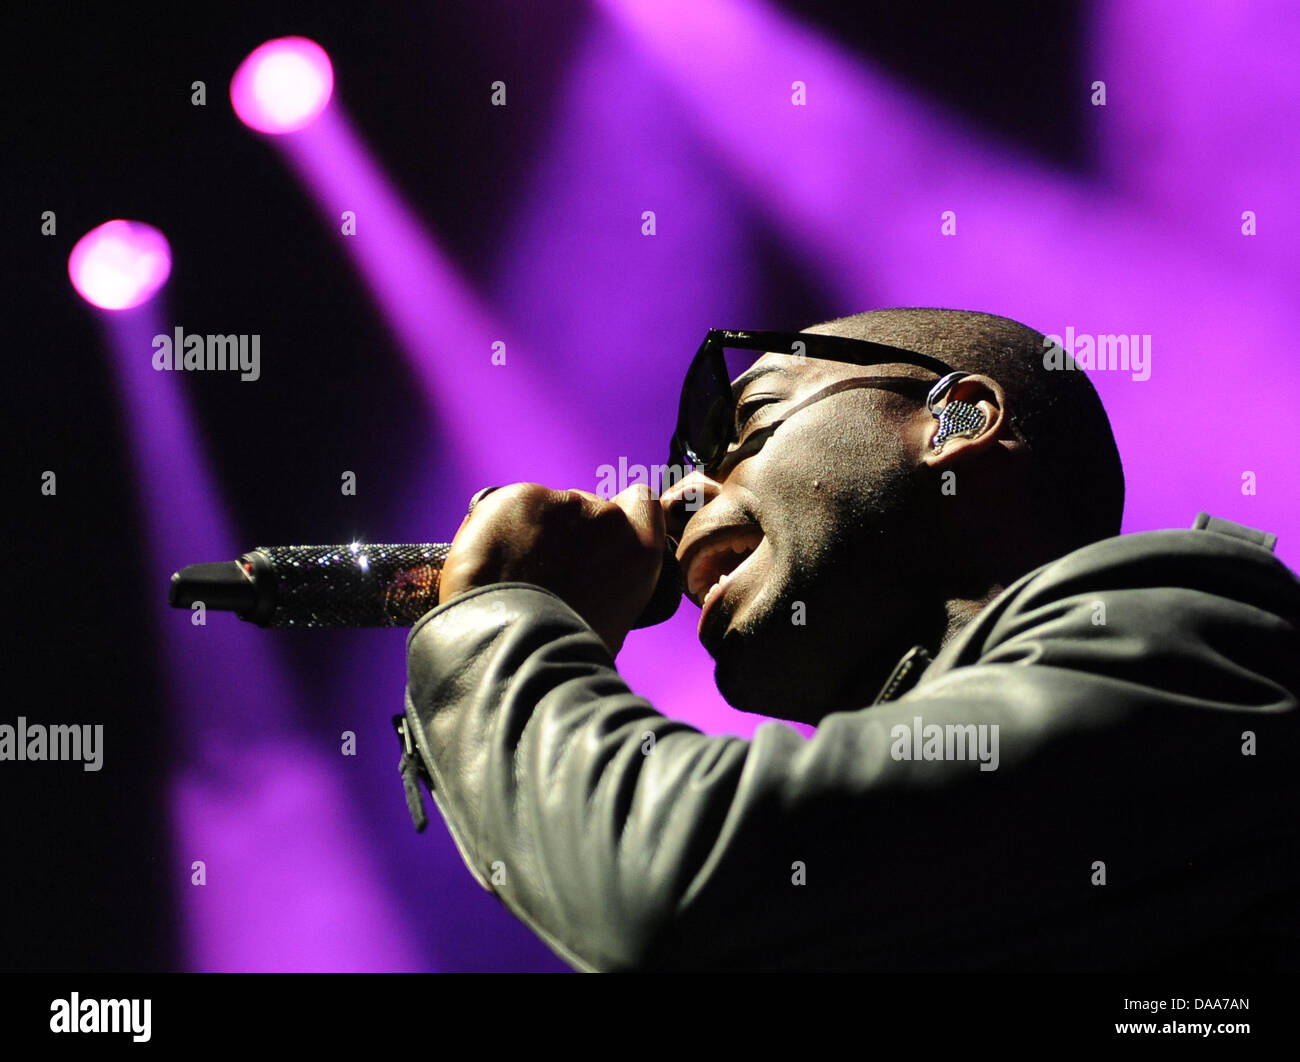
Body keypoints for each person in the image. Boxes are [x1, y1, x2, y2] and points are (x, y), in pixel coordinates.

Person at [396, 308, 1300, 971]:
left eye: (747, 427)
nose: (679, 501)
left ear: (956, 422)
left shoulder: (1201, 632)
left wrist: (503, 617)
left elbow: (669, 885)